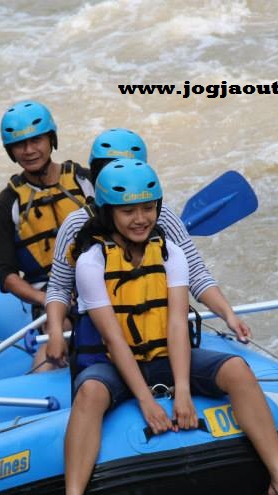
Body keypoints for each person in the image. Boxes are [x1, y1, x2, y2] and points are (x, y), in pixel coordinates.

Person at [57, 160, 278, 495]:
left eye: (148, 208)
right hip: (119, 363)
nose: (140, 218)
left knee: (238, 371)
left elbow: (177, 323)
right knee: (89, 393)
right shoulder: (90, 262)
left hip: (166, 357)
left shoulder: (170, 254)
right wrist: (146, 401)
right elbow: (113, 338)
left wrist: (182, 391)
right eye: (128, 210)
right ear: (108, 212)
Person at [43, 128, 251, 368]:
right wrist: (56, 331)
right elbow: (59, 287)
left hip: (162, 335)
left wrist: (228, 314)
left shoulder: (162, 218)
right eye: (108, 168)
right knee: (47, 362)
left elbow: (196, 274)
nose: (120, 177)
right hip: (103, 342)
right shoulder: (75, 224)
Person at [0, 100, 93, 370]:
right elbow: (8, 276)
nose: (29, 150)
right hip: (48, 295)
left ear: (51, 139)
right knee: (60, 324)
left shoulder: (87, 181)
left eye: (36, 140)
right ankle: (42, 383)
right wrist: (47, 300)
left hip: (101, 281)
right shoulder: (5, 204)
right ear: (10, 151)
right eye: (20, 145)